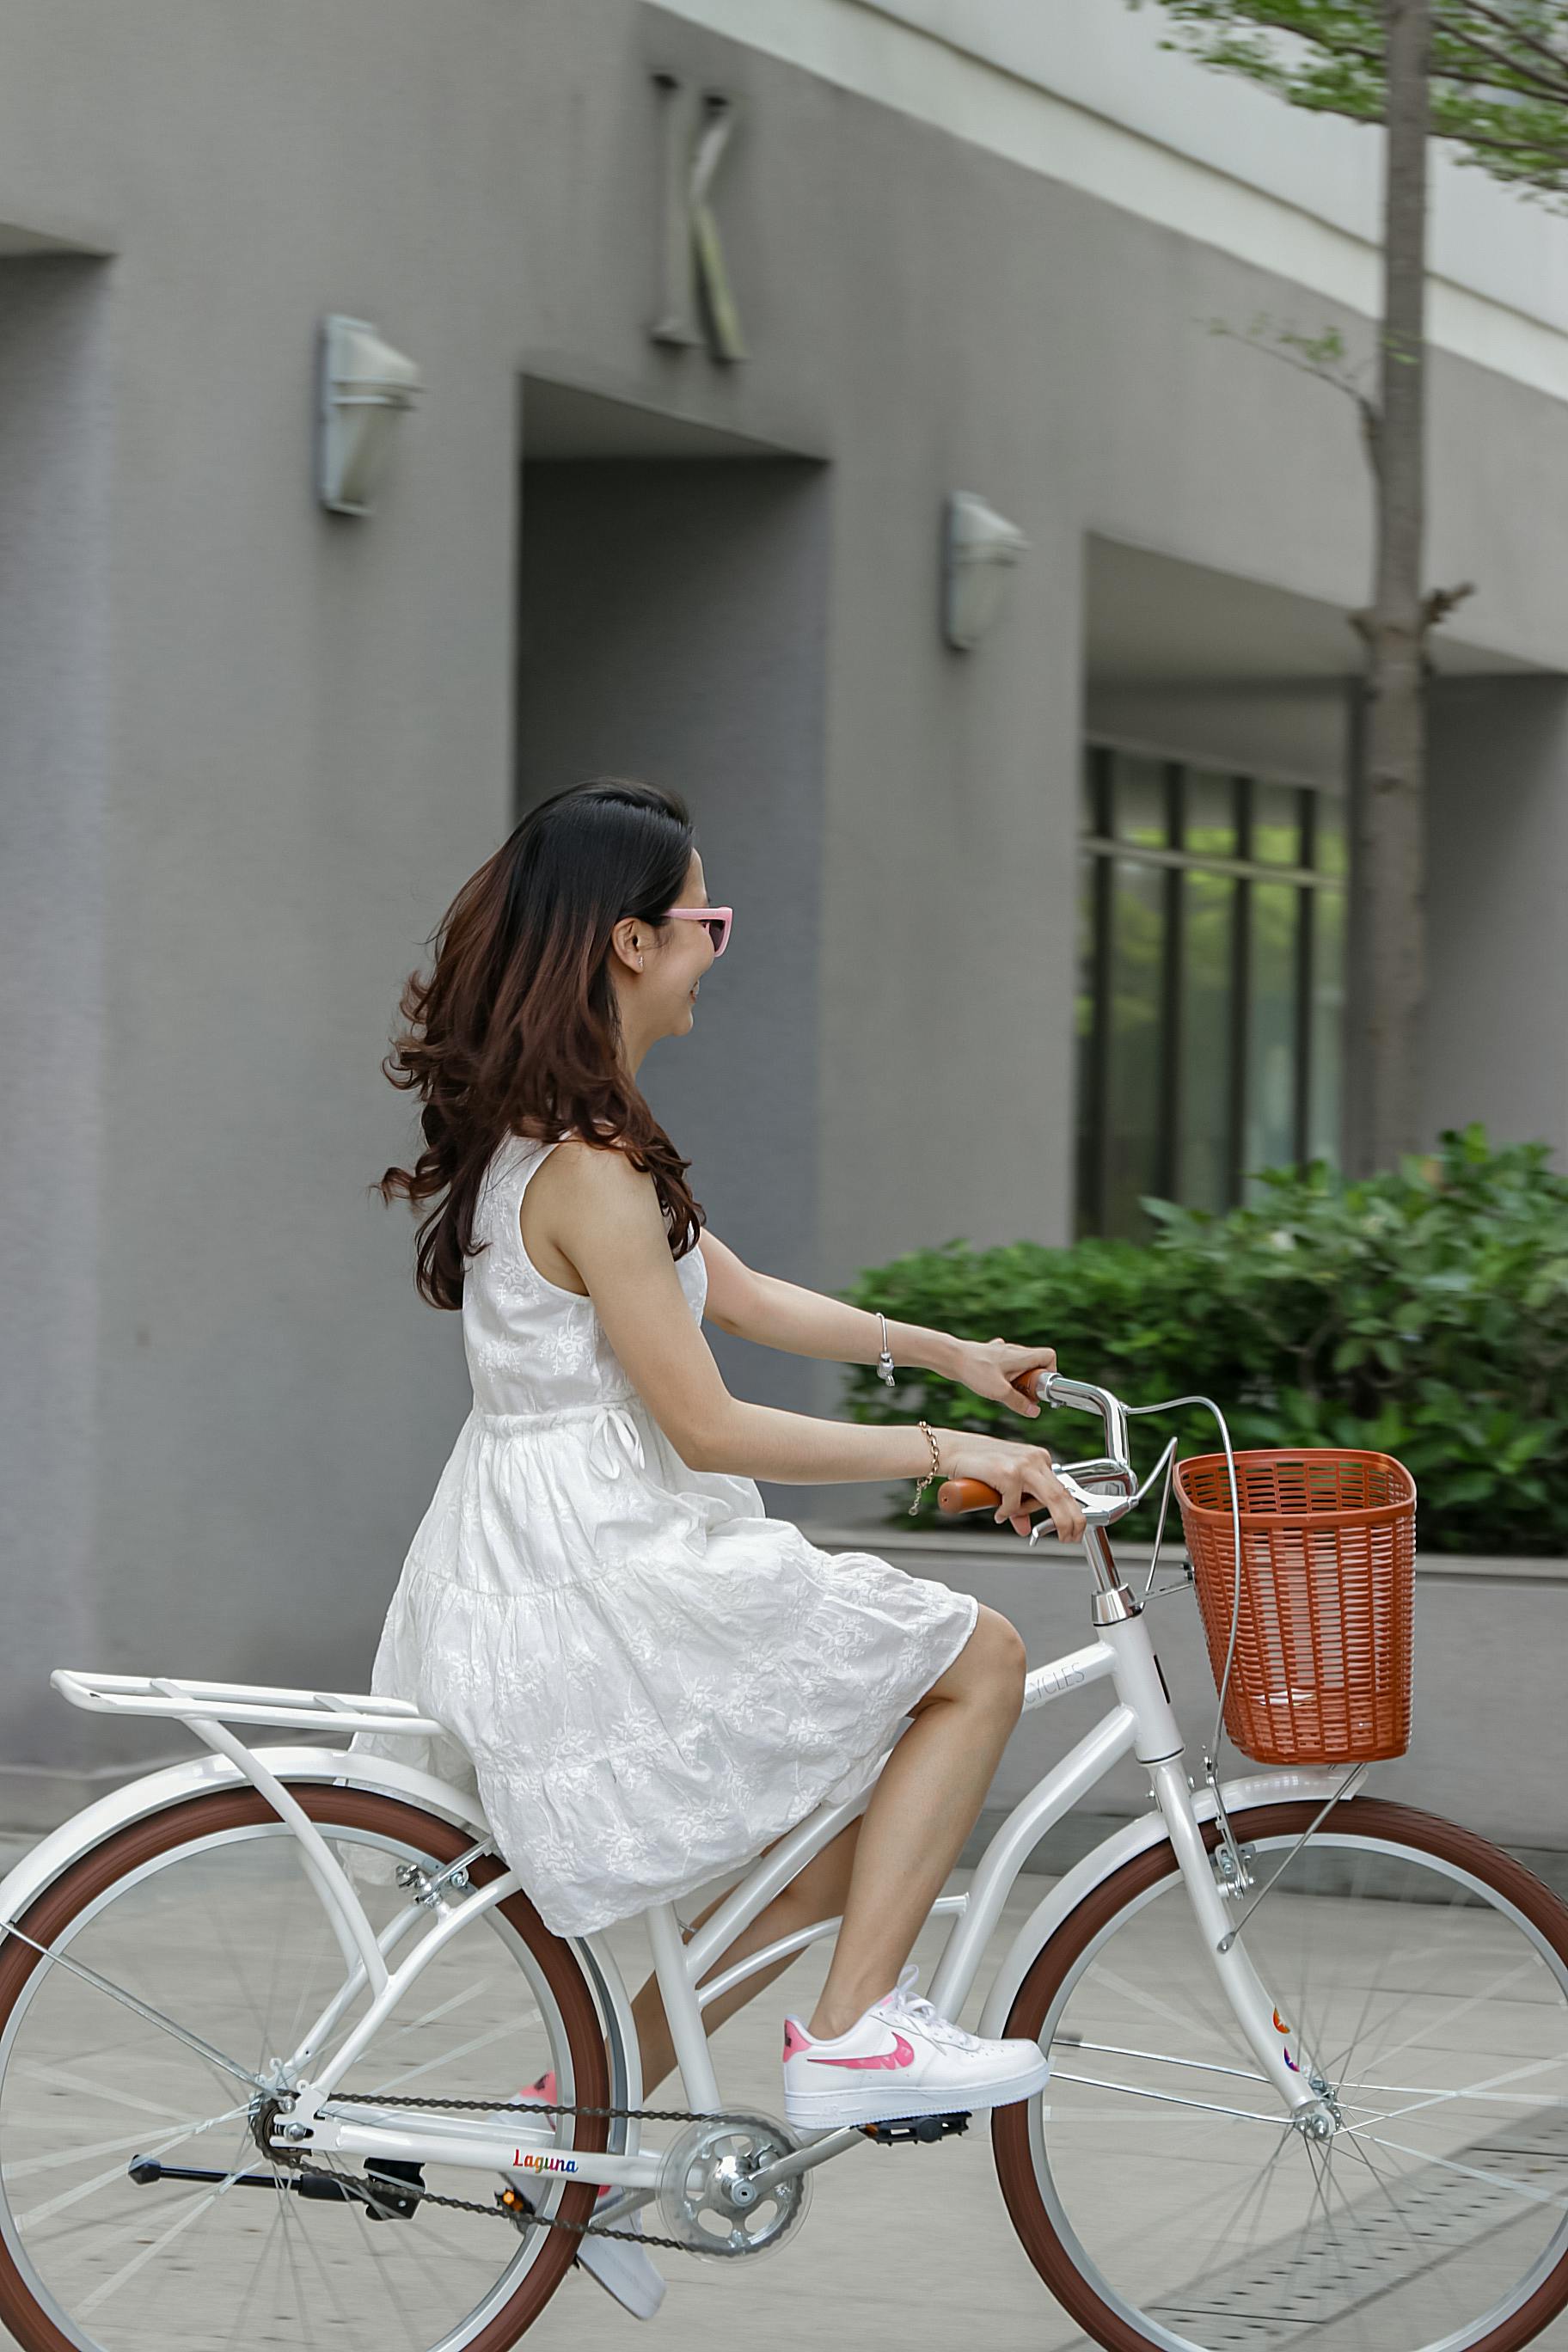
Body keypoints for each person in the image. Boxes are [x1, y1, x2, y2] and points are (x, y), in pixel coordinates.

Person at [350, 778, 1085, 2316]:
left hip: (557, 1542)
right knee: (980, 1657)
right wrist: (954, 1455)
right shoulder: (589, 1166)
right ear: (630, 941)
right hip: (604, 1560)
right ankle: (856, 2034)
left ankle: (575, 2124)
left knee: (816, 1849)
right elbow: (708, 1425)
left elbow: (734, 1295)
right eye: (709, 921)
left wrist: (953, 1359)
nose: (714, 951)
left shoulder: (565, 1140)